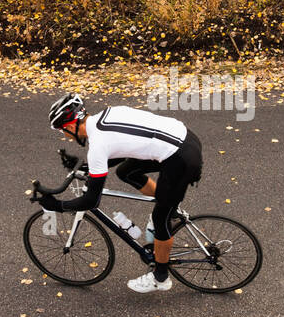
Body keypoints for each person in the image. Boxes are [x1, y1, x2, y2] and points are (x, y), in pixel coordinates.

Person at [41, 93, 203, 292]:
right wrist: (85, 167)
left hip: (180, 159)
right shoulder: (108, 114)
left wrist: (57, 206)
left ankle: (160, 277)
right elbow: (123, 147)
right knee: (127, 171)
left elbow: (91, 201)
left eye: (62, 131)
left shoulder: (98, 145)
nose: (65, 136)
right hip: (185, 138)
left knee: (160, 217)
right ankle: (168, 206)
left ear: (71, 125)